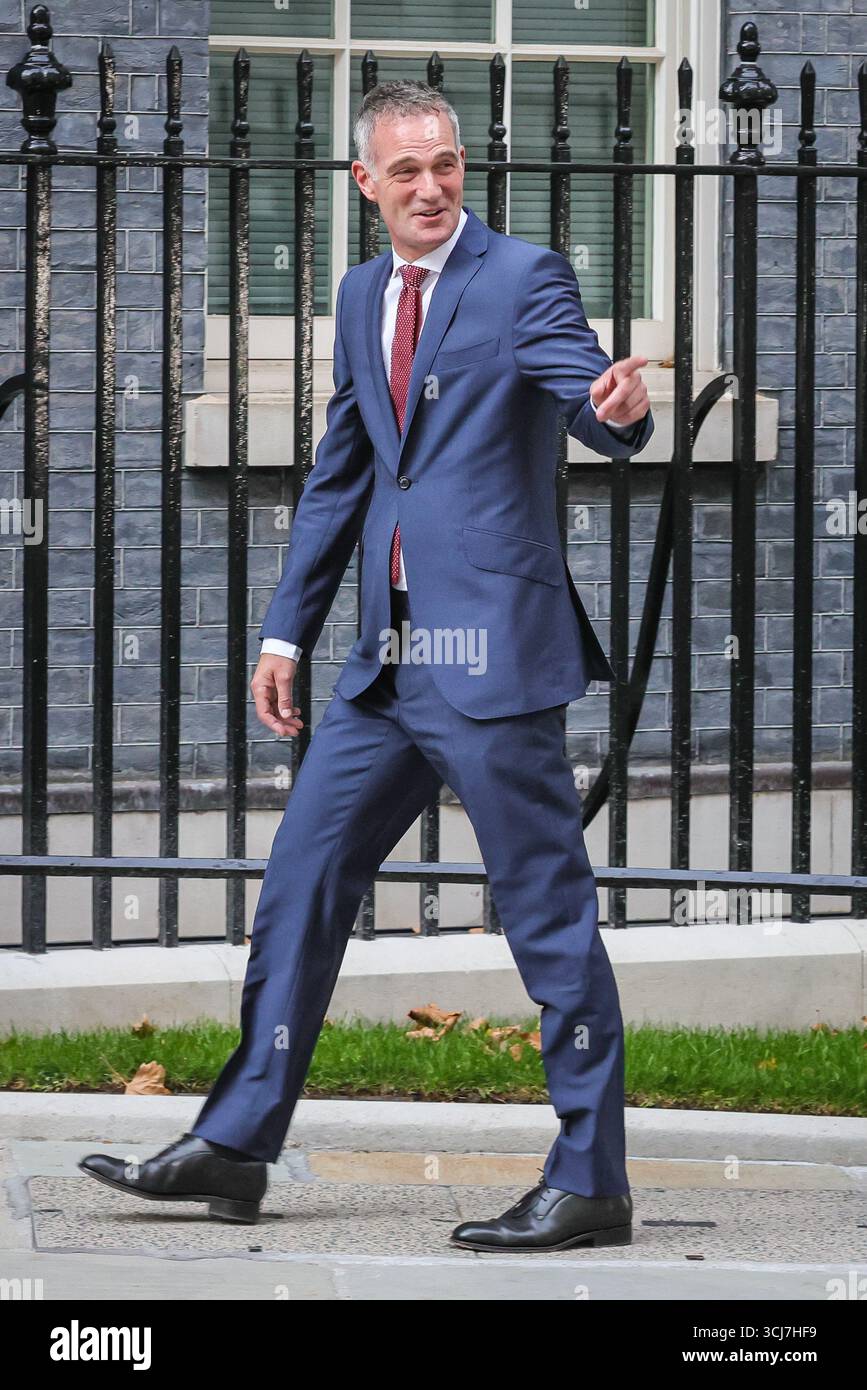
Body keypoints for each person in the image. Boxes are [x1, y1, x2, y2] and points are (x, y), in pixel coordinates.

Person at [80, 80, 654, 1252]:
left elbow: (588, 400)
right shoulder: (356, 295)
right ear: (366, 187)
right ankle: (236, 1145)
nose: (433, 187)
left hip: (492, 656)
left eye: (446, 165)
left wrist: (620, 412)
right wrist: (288, 630)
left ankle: (592, 1176)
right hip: (386, 664)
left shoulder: (523, 277)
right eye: (407, 173)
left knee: (545, 916)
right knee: (300, 883)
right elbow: (347, 469)